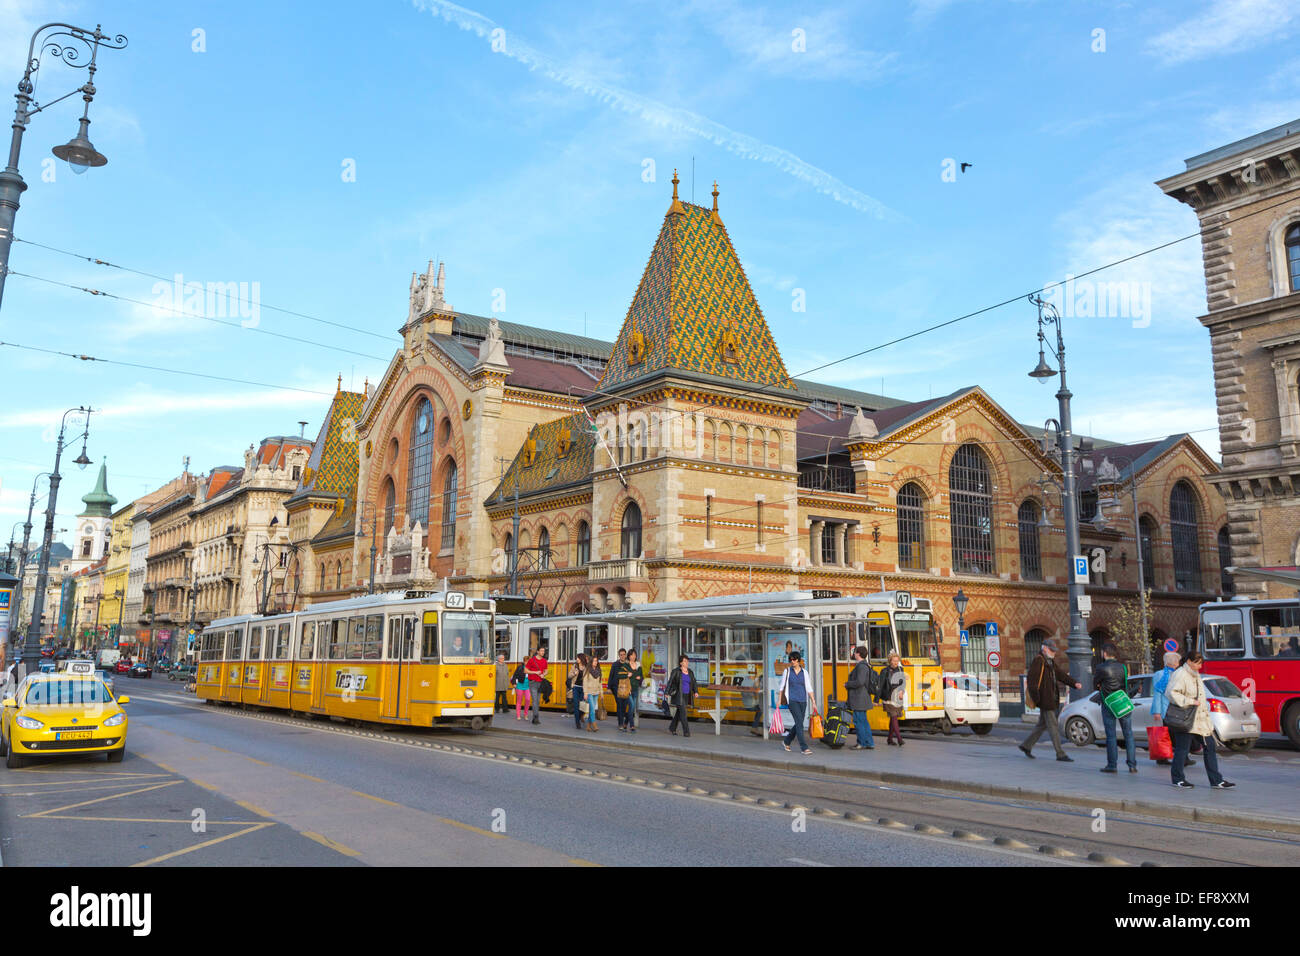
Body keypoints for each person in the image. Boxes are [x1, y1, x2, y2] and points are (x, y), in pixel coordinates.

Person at [1167, 651, 1235, 790]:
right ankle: (1177, 778)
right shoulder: (1180, 674)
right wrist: (1190, 701)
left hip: (1199, 720)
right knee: (1182, 749)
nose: (1200, 666)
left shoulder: (1195, 674)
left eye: (1201, 663)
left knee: (1209, 746)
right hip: (1186, 718)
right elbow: (1171, 693)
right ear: (1189, 662)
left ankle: (1216, 780)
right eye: (1197, 663)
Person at [1019, 637, 1081, 761]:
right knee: (1053, 726)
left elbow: (1061, 675)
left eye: (1054, 650)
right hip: (1045, 701)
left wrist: (1074, 683)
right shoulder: (1039, 661)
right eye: (1052, 650)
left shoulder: (1050, 662)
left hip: (1050, 699)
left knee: (1042, 725)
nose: (1054, 652)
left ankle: (1026, 745)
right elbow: (1032, 683)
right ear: (1045, 649)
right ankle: (1060, 753)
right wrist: (1037, 700)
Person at [1094, 642, 1137, 774]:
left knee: (1111, 736)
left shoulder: (1101, 667)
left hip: (1108, 704)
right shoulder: (1123, 667)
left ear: (1105, 653)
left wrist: (1101, 686)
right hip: (1122, 702)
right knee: (1128, 734)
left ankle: (1112, 765)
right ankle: (1132, 765)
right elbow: (1125, 684)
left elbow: (1095, 684)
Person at [1148, 650, 1192, 766]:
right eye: (1177, 661)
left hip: (1176, 708)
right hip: (1164, 709)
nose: (1179, 663)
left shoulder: (1179, 673)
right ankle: (1164, 757)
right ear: (1173, 663)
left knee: (1174, 734)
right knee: (1168, 734)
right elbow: (1157, 693)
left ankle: (1178, 757)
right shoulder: (1160, 674)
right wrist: (1157, 711)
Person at [776, 651, 817, 754]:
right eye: (791, 659)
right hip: (792, 700)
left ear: (798, 660)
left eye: (794, 659)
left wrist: (813, 701)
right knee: (800, 724)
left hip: (803, 701)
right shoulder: (787, 671)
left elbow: (808, 687)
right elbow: (781, 687)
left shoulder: (805, 672)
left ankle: (786, 741)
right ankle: (804, 747)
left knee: (799, 723)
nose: (792, 661)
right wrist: (779, 700)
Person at [843, 645, 876, 750]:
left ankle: (861, 743)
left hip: (859, 699)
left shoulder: (861, 666)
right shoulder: (864, 665)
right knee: (863, 721)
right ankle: (869, 743)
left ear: (858, 654)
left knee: (858, 721)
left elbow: (860, 682)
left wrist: (848, 684)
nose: (854, 654)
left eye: (855, 652)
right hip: (862, 698)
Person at [876, 651, 907, 746]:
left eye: (897, 661)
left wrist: (902, 691)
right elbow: (880, 686)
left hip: (898, 697)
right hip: (888, 697)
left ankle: (889, 739)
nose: (896, 662)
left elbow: (903, 683)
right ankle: (899, 739)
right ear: (890, 661)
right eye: (894, 661)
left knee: (894, 718)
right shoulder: (884, 671)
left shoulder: (901, 669)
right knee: (894, 717)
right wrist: (876, 700)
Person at [665, 655, 699, 737]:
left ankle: (672, 728)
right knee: (683, 713)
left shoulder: (690, 672)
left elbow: (694, 682)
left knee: (679, 713)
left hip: (687, 695)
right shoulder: (676, 671)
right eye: (685, 661)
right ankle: (686, 732)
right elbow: (670, 682)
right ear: (681, 663)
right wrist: (666, 692)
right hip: (679, 695)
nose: (687, 662)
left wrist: (696, 692)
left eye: (687, 661)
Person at [608, 648, 633, 732]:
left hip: (625, 688)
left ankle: (622, 721)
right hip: (616, 687)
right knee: (619, 704)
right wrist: (609, 687)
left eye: (624, 654)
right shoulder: (615, 664)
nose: (622, 656)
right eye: (621, 655)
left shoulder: (628, 664)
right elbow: (611, 676)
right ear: (619, 655)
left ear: (626, 655)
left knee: (625, 705)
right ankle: (620, 724)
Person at [525, 644, 548, 725]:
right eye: (541, 651)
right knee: (535, 701)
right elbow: (525, 670)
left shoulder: (544, 661)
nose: (543, 652)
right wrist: (535, 672)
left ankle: (535, 717)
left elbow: (546, 670)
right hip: (533, 682)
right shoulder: (532, 660)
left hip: (540, 683)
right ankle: (536, 717)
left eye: (543, 651)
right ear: (537, 651)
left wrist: (544, 674)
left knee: (537, 701)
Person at [568, 653, 590, 731]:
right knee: (576, 706)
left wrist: (587, 691)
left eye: (578, 658)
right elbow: (569, 676)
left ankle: (580, 716)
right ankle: (577, 723)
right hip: (576, 688)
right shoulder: (575, 666)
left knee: (582, 706)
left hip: (583, 689)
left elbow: (588, 679)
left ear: (581, 659)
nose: (576, 659)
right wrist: (574, 673)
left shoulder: (587, 667)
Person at [582, 654, 604, 732]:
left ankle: (588, 725)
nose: (595, 662)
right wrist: (585, 692)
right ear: (591, 662)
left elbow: (600, 682)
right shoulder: (587, 670)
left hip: (596, 692)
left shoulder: (599, 670)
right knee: (592, 709)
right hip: (589, 692)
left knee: (593, 708)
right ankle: (594, 724)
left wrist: (601, 693)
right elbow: (585, 682)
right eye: (594, 661)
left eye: (596, 661)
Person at [626, 650, 644, 733]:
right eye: (631, 655)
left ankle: (625, 723)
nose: (633, 656)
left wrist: (640, 678)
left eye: (634, 655)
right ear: (629, 656)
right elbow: (621, 675)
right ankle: (632, 726)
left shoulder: (638, 666)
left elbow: (641, 676)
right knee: (632, 706)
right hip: (628, 689)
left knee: (631, 707)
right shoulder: (626, 665)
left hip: (635, 689)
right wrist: (627, 675)